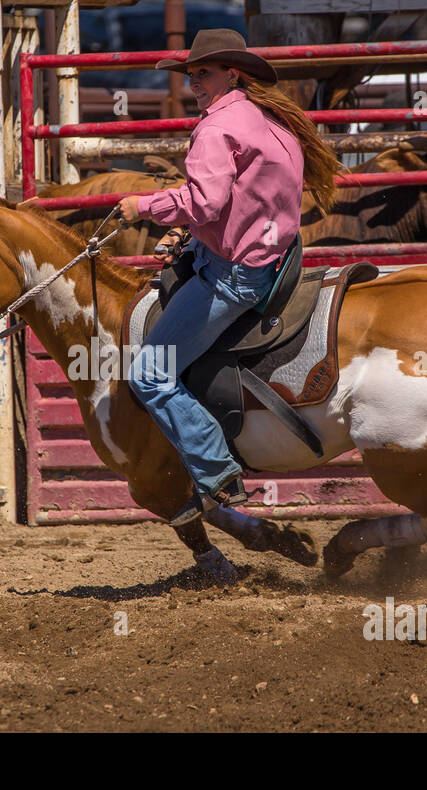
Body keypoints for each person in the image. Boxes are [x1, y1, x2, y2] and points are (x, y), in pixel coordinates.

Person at [119, 29, 340, 527]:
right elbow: (239, 202)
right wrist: (192, 235)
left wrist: (143, 205)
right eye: (192, 73)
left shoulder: (218, 127)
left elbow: (206, 201)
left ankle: (218, 470)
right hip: (273, 255)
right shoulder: (268, 120)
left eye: (204, 72)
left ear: (232, 73)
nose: (194, 81)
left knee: (150, 374)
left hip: (236, 273)